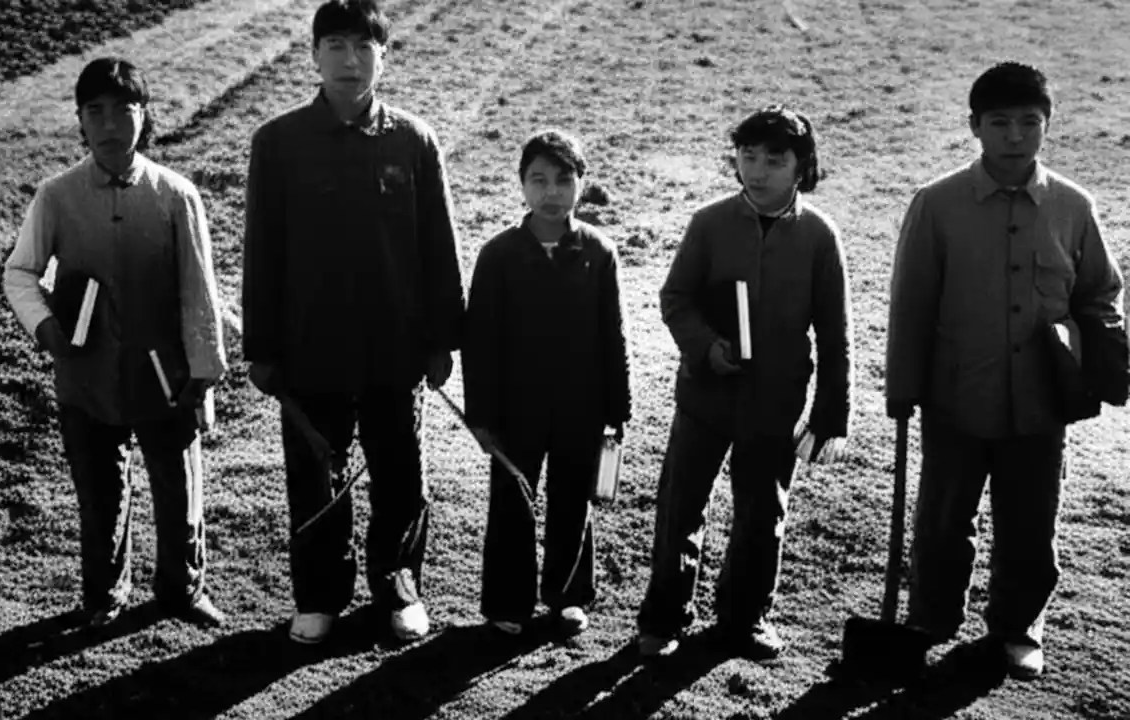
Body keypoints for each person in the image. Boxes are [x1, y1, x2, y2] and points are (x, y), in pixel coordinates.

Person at [885, 62, 1125, 680]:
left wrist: (1101, 355)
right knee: (944, 517)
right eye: (999, 123)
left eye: (1029, 122)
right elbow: (911, 303)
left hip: (1043, 402)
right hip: (955, 396)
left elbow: (1100, 292)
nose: (1015, 136)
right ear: (974, 126)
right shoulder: (936, 204)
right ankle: (931, 618)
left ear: (1048, 124)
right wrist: (903, 388)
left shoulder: (1074, 206)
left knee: (1031, 522)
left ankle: (1019, 628)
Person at [242, 0, 465, 645]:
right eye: (335, 45)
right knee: (315, 476)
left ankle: (398, 586)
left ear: (383, 57)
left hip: (395, 349)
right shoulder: (278, 142)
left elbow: (439, 247)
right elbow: (262, 251)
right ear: (313, 55)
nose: (349, 60)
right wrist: (263, 347)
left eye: (364, 47)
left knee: (401, 475)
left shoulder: (413, 141)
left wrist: (442, 339)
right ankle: (319, 596)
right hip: (310, 348)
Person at [3, 57, 227, 630]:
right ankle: (104, 593)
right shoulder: (56, 196)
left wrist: (202, 373)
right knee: (100, 495)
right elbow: (20, 272)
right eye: (94, 111)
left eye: (122, 110)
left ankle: (182, 588)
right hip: (87, 378)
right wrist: (46, 328)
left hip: (165, 376)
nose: (108, 125)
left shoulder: (175, 195)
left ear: (143, 116)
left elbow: (198, 291)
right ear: (79, 119)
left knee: (178, 489)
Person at [636, 105, 853, 660]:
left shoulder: (820, 236)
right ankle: (664, 616)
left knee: (762, 512)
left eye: (774, 161)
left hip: (776, 402)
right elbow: (675, 298)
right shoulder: (709, 222)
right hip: (704, 395)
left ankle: (745, 618)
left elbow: (835, 332)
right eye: (748, 156)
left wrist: (831, 412)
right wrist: (707, 347)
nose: (757, 171)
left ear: (802, 166)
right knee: (681, 506)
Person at [462, 130, 631, 638]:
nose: (551, 192)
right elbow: (479, 342)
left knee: (573, 500)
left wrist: (617, 411)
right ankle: (507, 602)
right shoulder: (498, 254)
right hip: (516, 409)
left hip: (582, 407)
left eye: (563, 179)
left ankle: (567, 596)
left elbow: (614, 335)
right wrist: (481, 417)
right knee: (511, 501)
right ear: (522, 184)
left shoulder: (598, 252)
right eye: (539, 180)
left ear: (582, 184)